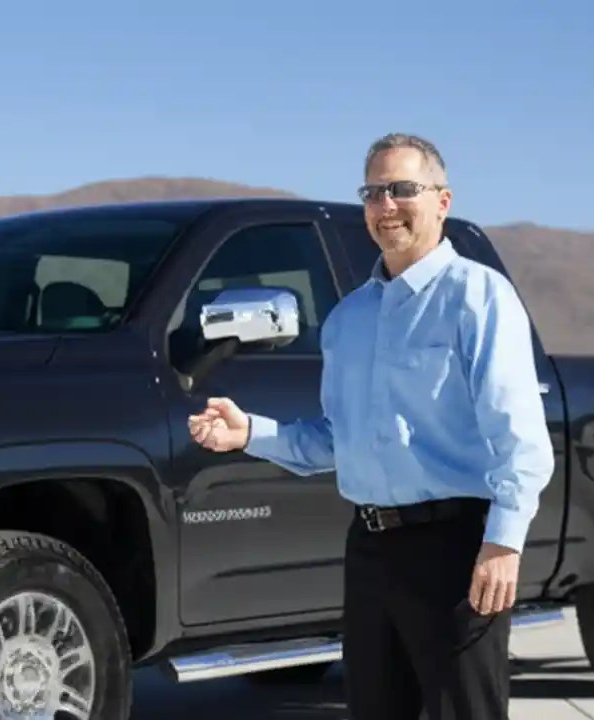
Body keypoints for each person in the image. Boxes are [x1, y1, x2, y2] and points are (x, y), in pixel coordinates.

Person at [187, 132, 554, 720]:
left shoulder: (478, 298)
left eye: (403, 189)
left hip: (456, 548)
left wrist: (503, 543)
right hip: (370, 551)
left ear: (442, 200)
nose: (386, 206)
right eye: (373, 192)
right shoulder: (348, 319)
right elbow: (336, 438)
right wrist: (249, 432)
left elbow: (521, 441)